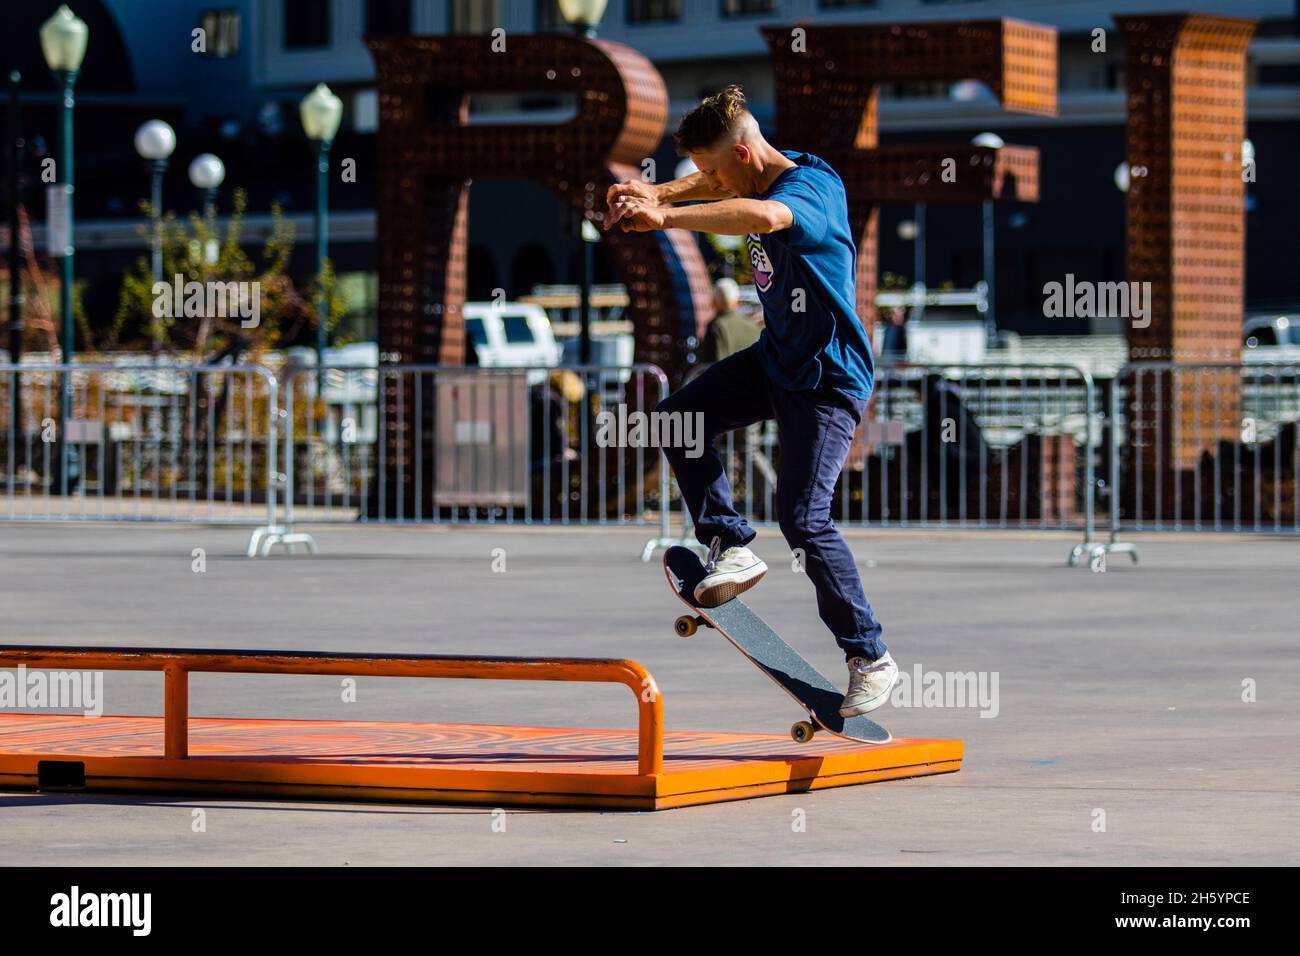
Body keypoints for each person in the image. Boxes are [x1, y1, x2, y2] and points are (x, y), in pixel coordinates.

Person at [604, 84, 896, 719]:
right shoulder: (753, 168)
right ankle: (730, 542)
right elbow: (719, 188)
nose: (708, 182)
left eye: (713, 169)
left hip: (828, 379)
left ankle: (869, 655)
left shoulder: (809, 191)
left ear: (742, 154)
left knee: (804, 517)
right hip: (776, 363)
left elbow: (762, 219)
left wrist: (665, 216)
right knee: (678, 419)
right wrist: (655, 192)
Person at [699, 277, 761, 364]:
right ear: (737, 300)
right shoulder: (753, 326)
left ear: (714, 301)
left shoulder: (715, 327)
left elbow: (711, 366)